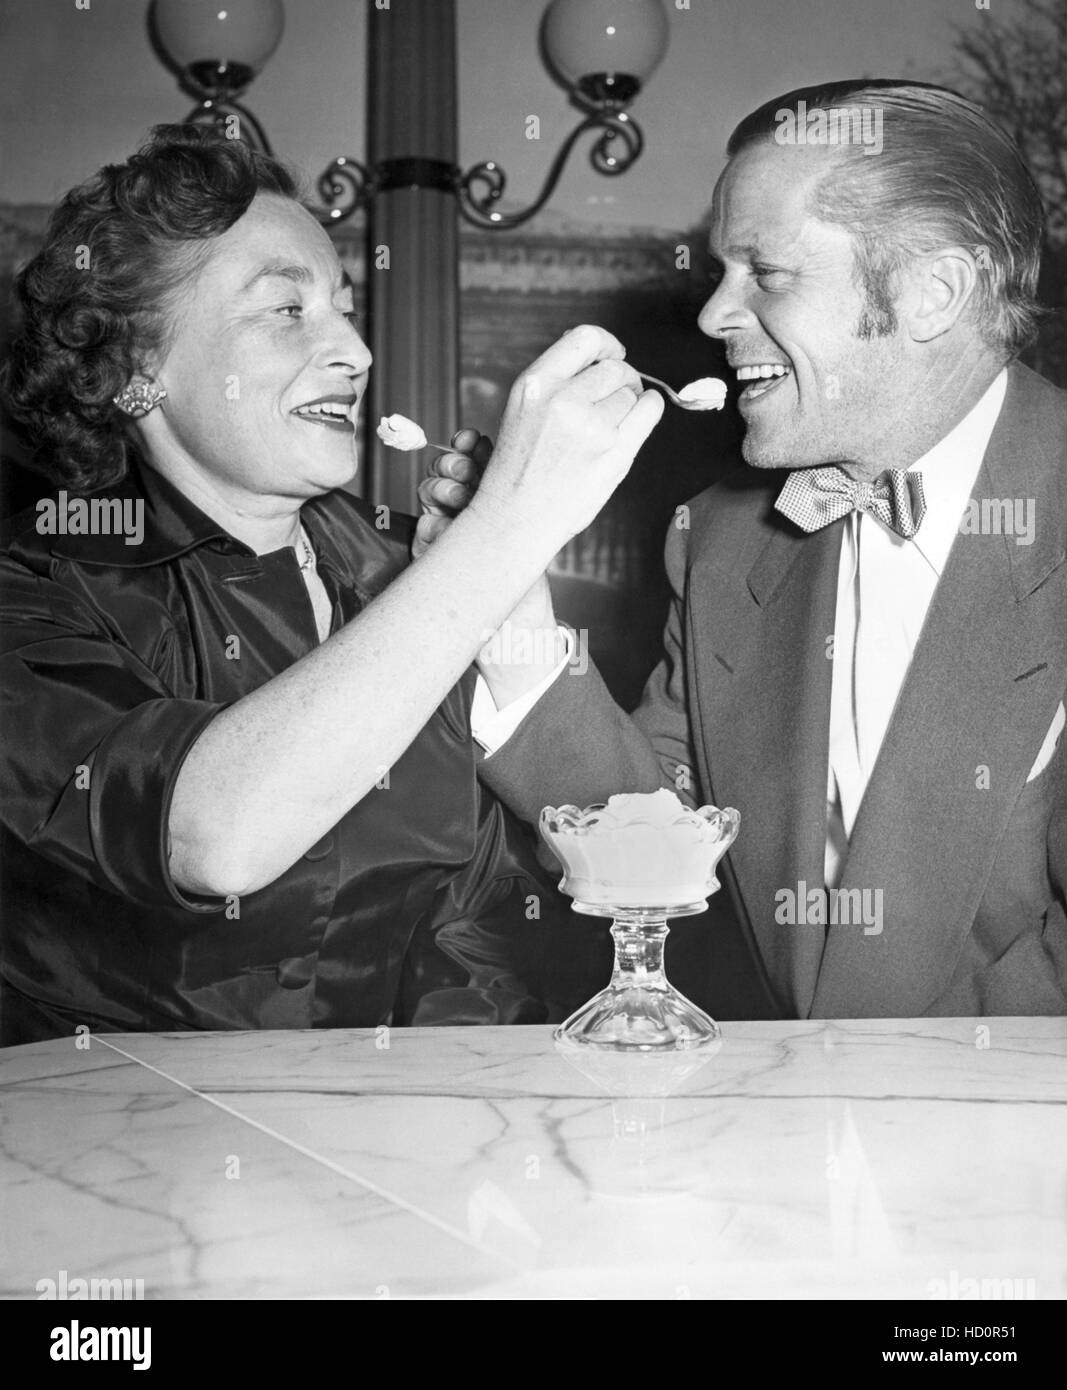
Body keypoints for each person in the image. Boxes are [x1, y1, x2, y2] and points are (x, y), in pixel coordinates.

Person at [0, 125, 662, 1044]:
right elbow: (214, 838)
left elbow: (628, 868)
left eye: (345, 308)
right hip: (136, 1150)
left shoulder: (422, 568)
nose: (354, 348)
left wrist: (516, 629)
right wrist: (508, 531)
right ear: (136, 370)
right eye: (286, 310)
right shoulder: (33, 590)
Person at [424, 80, 1067, 1020]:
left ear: (934, 291)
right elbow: (660, 841)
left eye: (765, 273)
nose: (711, 316)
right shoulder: (723, 539)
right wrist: (509, 614)